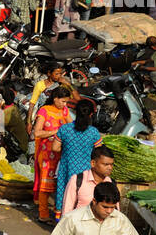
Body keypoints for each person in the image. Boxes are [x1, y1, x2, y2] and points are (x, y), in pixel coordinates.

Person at [31, 86, 73, 221]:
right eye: (63, 101)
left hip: (61, 153)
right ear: (55, 99)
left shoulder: (64, 111)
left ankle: (57, 210)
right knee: (45, 184)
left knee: (59, 183)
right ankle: (43, 214)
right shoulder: (44, 111)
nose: (65, 105)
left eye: (66, 102)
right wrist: (55, 132)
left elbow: (71, 126)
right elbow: (37, 132)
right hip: (46, 154)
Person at [53, 98, 101, 215]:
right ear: (90, 114)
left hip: (67, 168)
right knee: (82, 196)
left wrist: (67, 150)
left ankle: (61, 220)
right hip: (85, 171)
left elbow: (55, 148)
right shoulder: (94, 132)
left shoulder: (64, 129)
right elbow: (99, 152)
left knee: (63, 193)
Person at [60, 145, 116, 216]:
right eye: (106, 164)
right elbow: (67, 210)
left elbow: (116, 211)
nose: (110, 168)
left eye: (111, 164)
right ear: (93, 163)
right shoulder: (77, 180)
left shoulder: (111, 183)